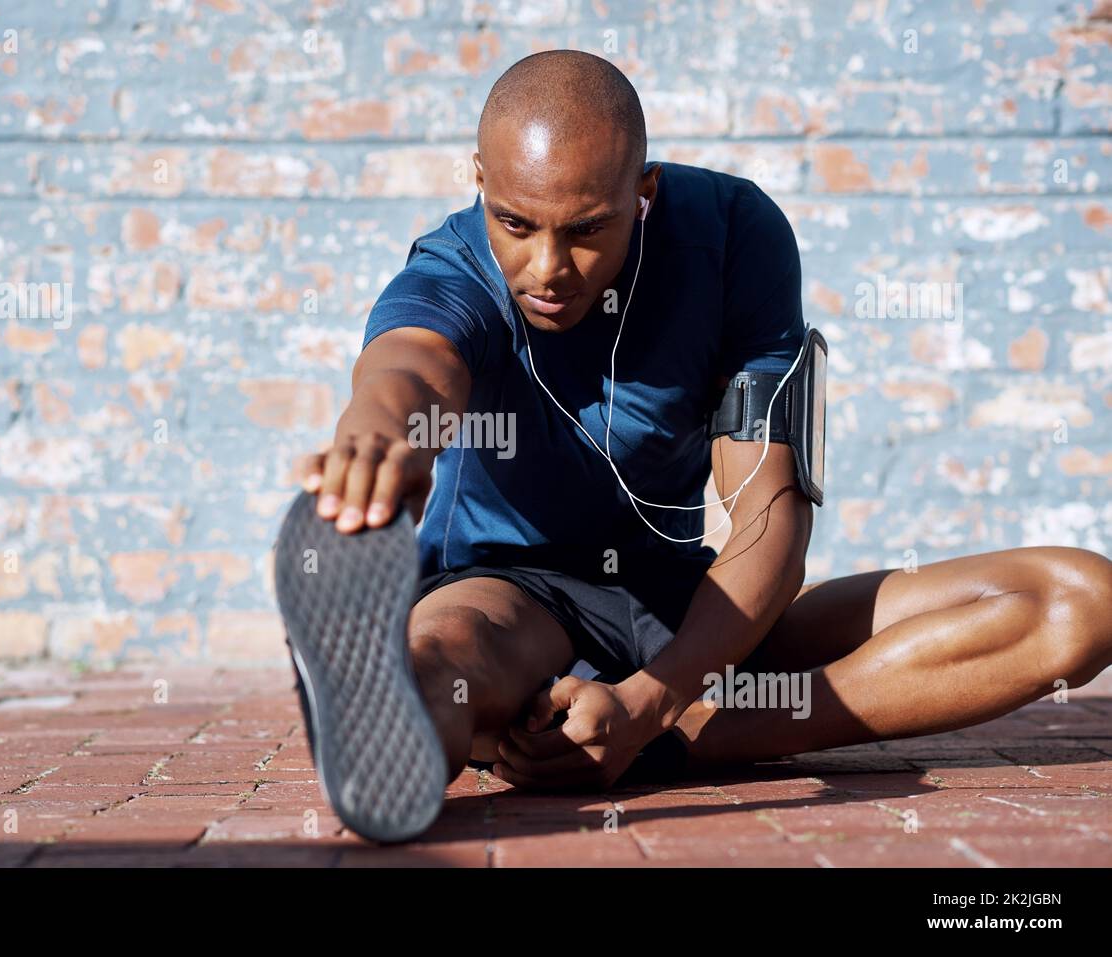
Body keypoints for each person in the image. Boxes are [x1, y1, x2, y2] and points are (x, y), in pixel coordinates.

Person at [275, 49, 1112, 844]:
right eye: (517, 223)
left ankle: (687, 738)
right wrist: (379, 439)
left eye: (587, 229)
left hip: (680, 607)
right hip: (506, 597)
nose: (548, 267)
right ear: (481, 182)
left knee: (1082, 600)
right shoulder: (454, 266)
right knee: (442, 654)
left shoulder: (730, 237)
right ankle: (387, 719)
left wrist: (652, 705)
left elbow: (768, 519)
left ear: (643, 192)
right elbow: (413, 367)